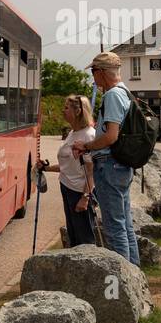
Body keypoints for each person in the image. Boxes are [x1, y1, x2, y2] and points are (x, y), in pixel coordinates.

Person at [72, 52, 139, 265]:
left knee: (113, 226)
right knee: (125, 224)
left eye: (93, 72)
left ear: (101, 72)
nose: (93, 77)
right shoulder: (125, 91)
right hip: (121, 166)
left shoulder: (111, 95)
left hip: (110, 165)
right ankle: (134, 273)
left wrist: (87, 146)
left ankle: (122, 282)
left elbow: (111, 136)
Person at [39, 95, 98, 247]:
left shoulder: (89, 135)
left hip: (79, 192)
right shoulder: (73, 133)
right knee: (73, 235)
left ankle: (89, 268)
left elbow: (91, 171)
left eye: (66, 107)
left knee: (84, 237)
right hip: (67, 188)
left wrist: (85, 198)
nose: (63, 110)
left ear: (78, 111)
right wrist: (46, 168)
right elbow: (68, 167)